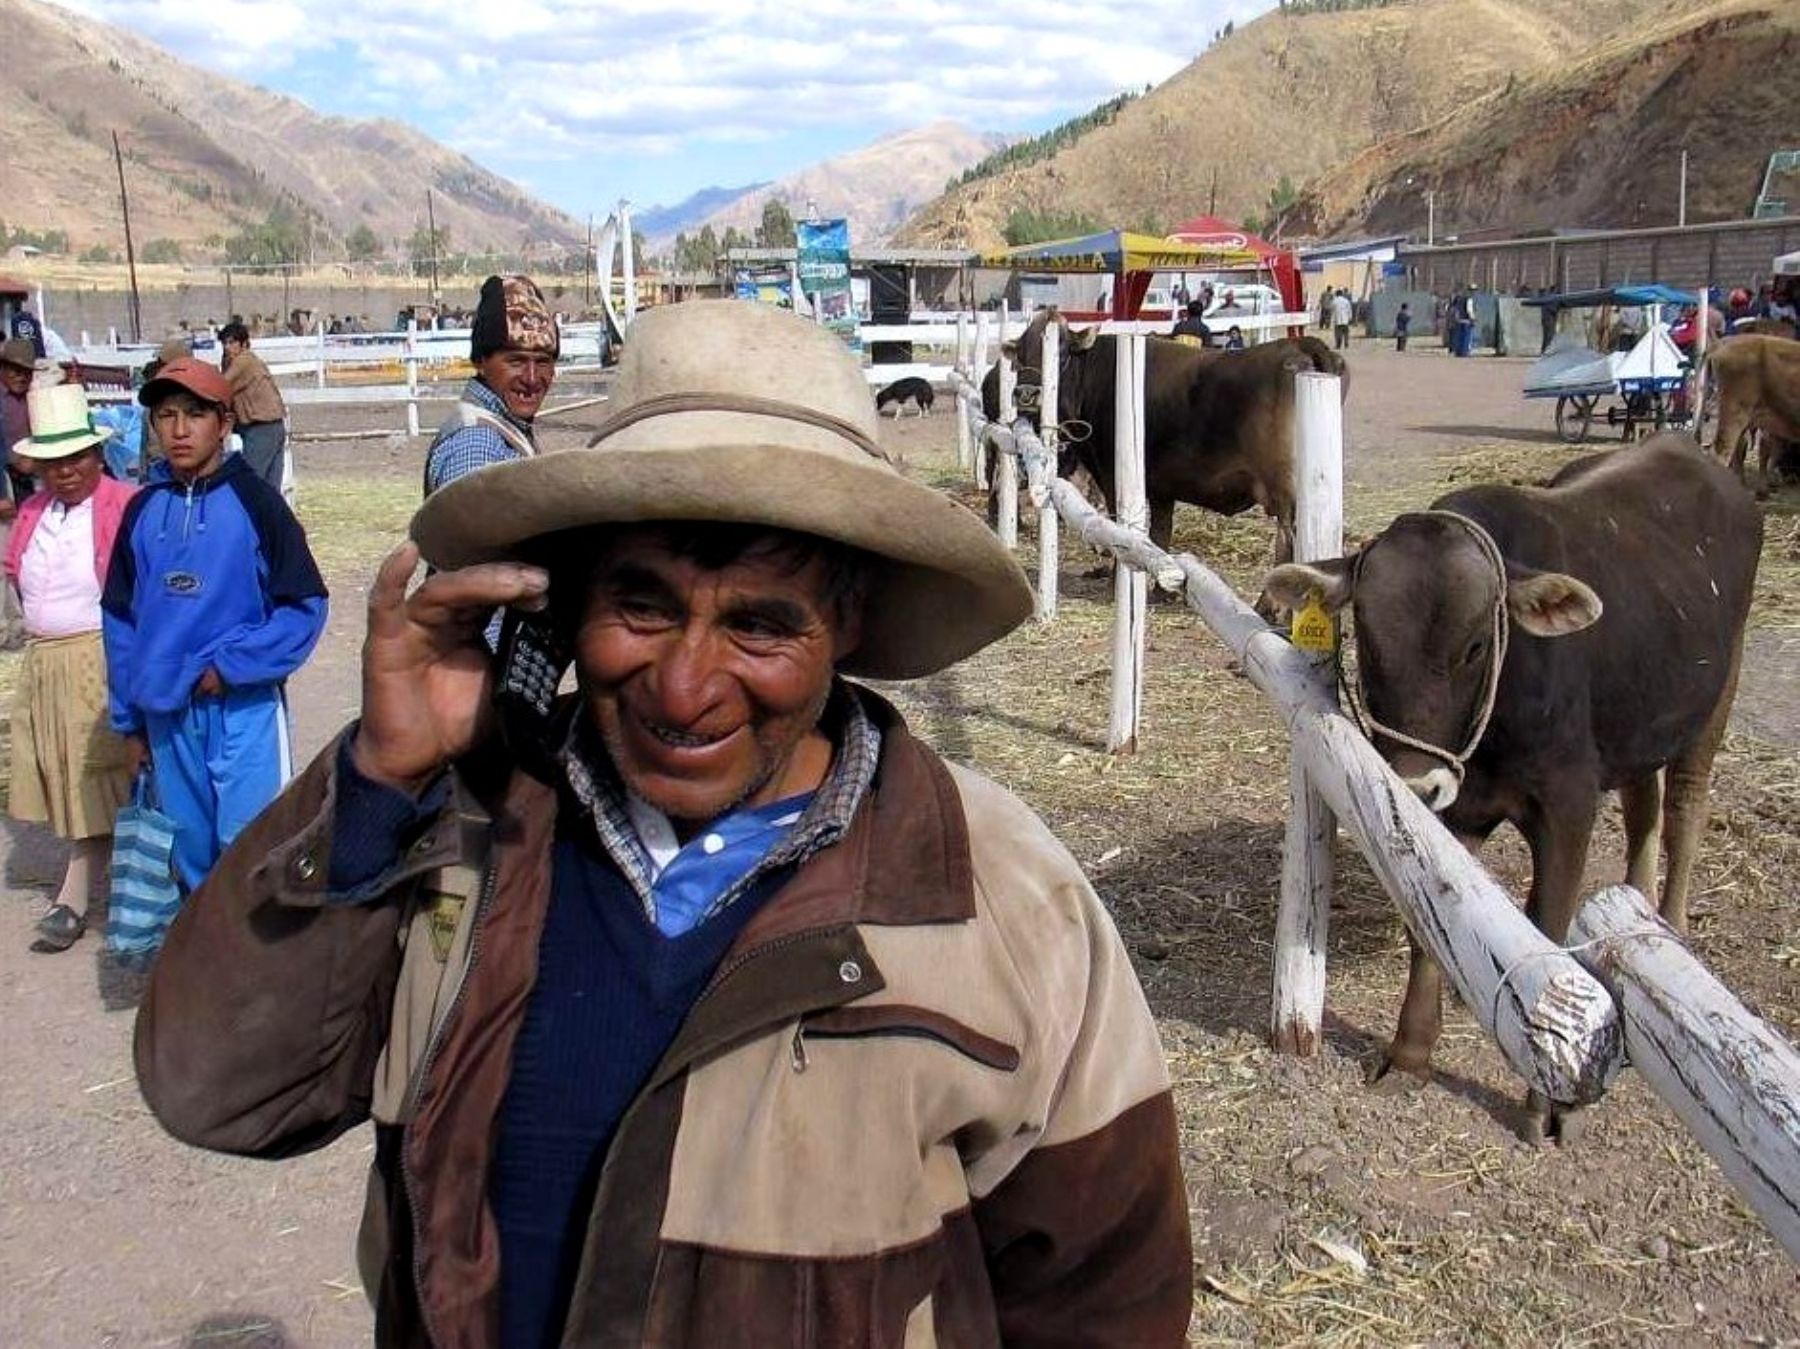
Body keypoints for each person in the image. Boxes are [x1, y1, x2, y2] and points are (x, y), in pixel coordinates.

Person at [134, 301, 1193, 1347]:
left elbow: (1108, 1299)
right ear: (571, 597)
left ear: (850, 624)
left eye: (761, 623)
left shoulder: (1001, 898)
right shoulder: (458, 827)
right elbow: (216, 1095)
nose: (686, 688)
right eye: (641, 606)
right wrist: (377, 778)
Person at [101, 357, 328, 894]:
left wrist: (228, 668)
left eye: (195, 415)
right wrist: (129, 724)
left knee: (253, 846)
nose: (179, 430)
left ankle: (259, 973)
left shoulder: (257, 504)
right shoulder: (141, 511)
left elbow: (305, 606)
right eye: (166, 415)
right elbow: (120, 622)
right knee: (189, 850)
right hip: (167, 717)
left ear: (224, 424)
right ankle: (204, 970)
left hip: (242, 709)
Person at [4, 383, 139, 952]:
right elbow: (17, 575)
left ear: (97, 455)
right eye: (53, 461)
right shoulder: (35, 512)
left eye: (76, 457)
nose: (65, 471)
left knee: (100, 775)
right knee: (65, 773)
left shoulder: (124, 505)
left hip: (100, 657)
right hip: (47, 663)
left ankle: (77, 895)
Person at [423, 274, 559, 495]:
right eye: (516, 361)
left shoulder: (505, 430)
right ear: (480, 361)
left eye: (543, 362)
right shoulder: (478, 446)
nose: (531, 378)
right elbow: (473, 529)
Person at [218, 321, 288, 492]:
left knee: (250, 483)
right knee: (270, 488)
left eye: (232, 342)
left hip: (261, 427)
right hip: (274, 425)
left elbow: (221, 386)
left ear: (243, 343)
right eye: (225, 343)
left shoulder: (243, 361)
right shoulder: (248, 360)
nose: (228, 347)